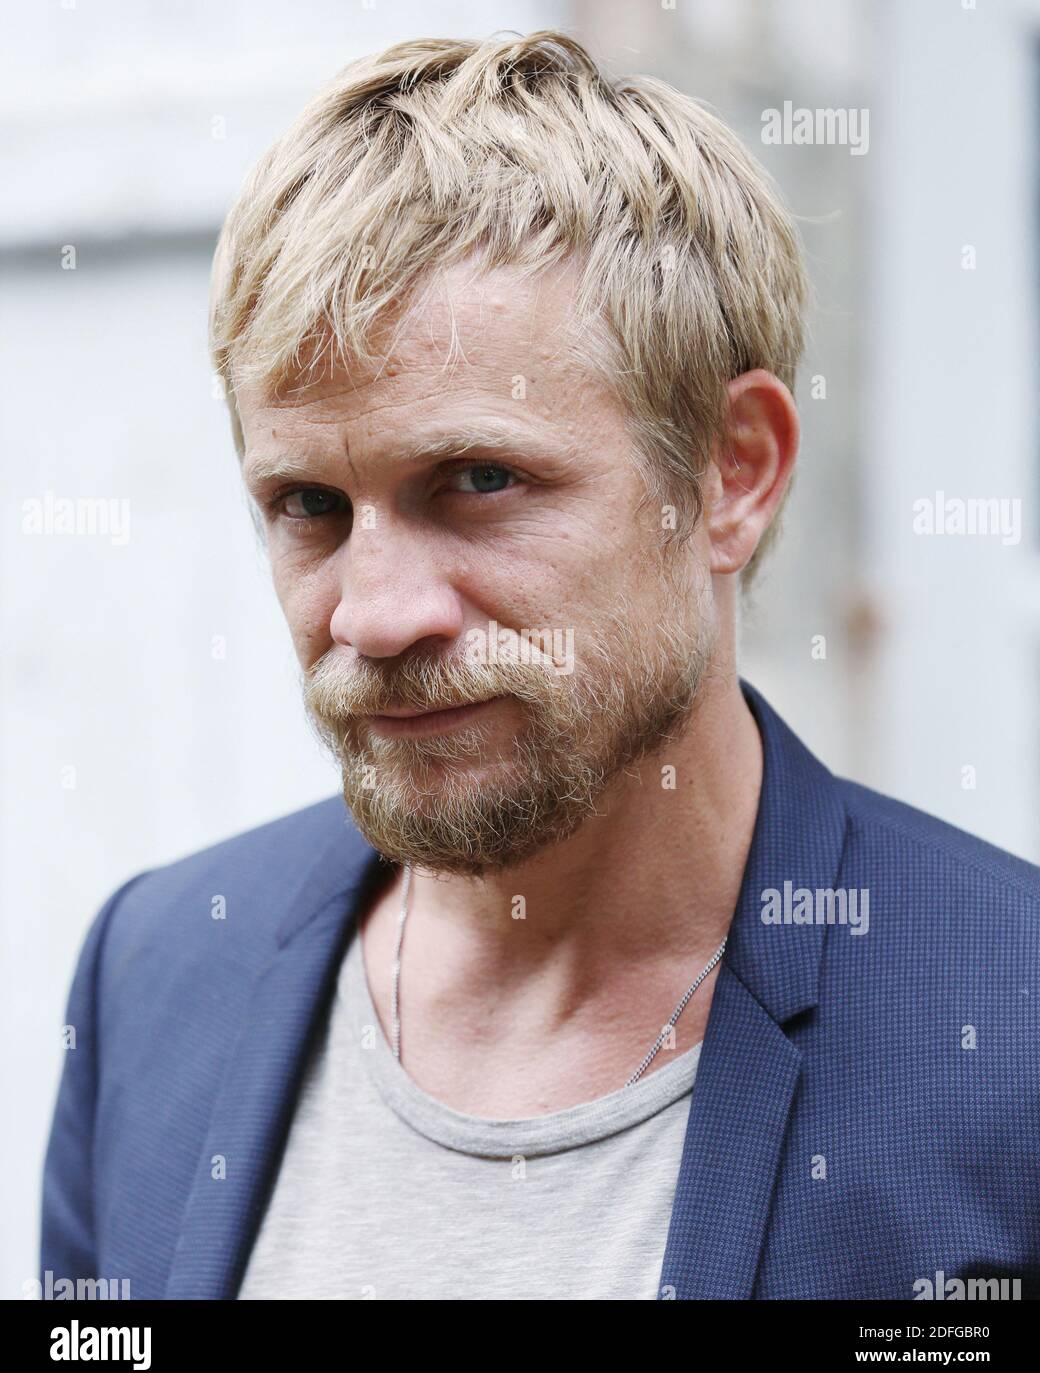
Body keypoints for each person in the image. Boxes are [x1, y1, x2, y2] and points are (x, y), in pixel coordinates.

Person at [40, 30, 1040, 1301]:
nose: (375, 614)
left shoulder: (1005, 1036)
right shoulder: (155, 975)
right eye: (308, 505)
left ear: (731, 472)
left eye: (477, 480)